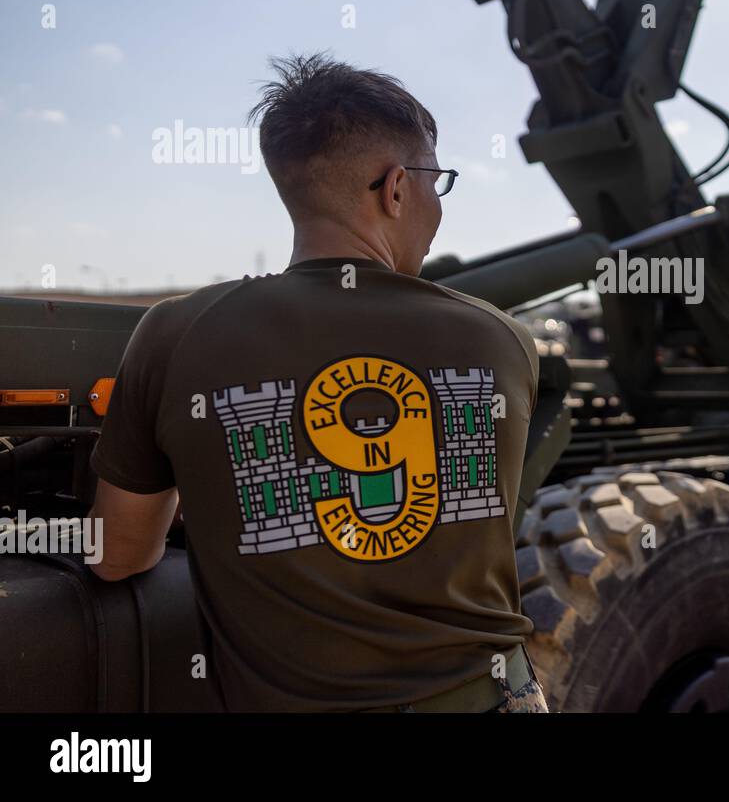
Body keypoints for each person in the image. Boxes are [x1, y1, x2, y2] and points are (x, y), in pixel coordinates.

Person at [88, 53, 547, 713]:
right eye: (434, 183)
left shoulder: (175, 333)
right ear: (396, 189)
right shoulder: (501, 341)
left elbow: (115, 557)